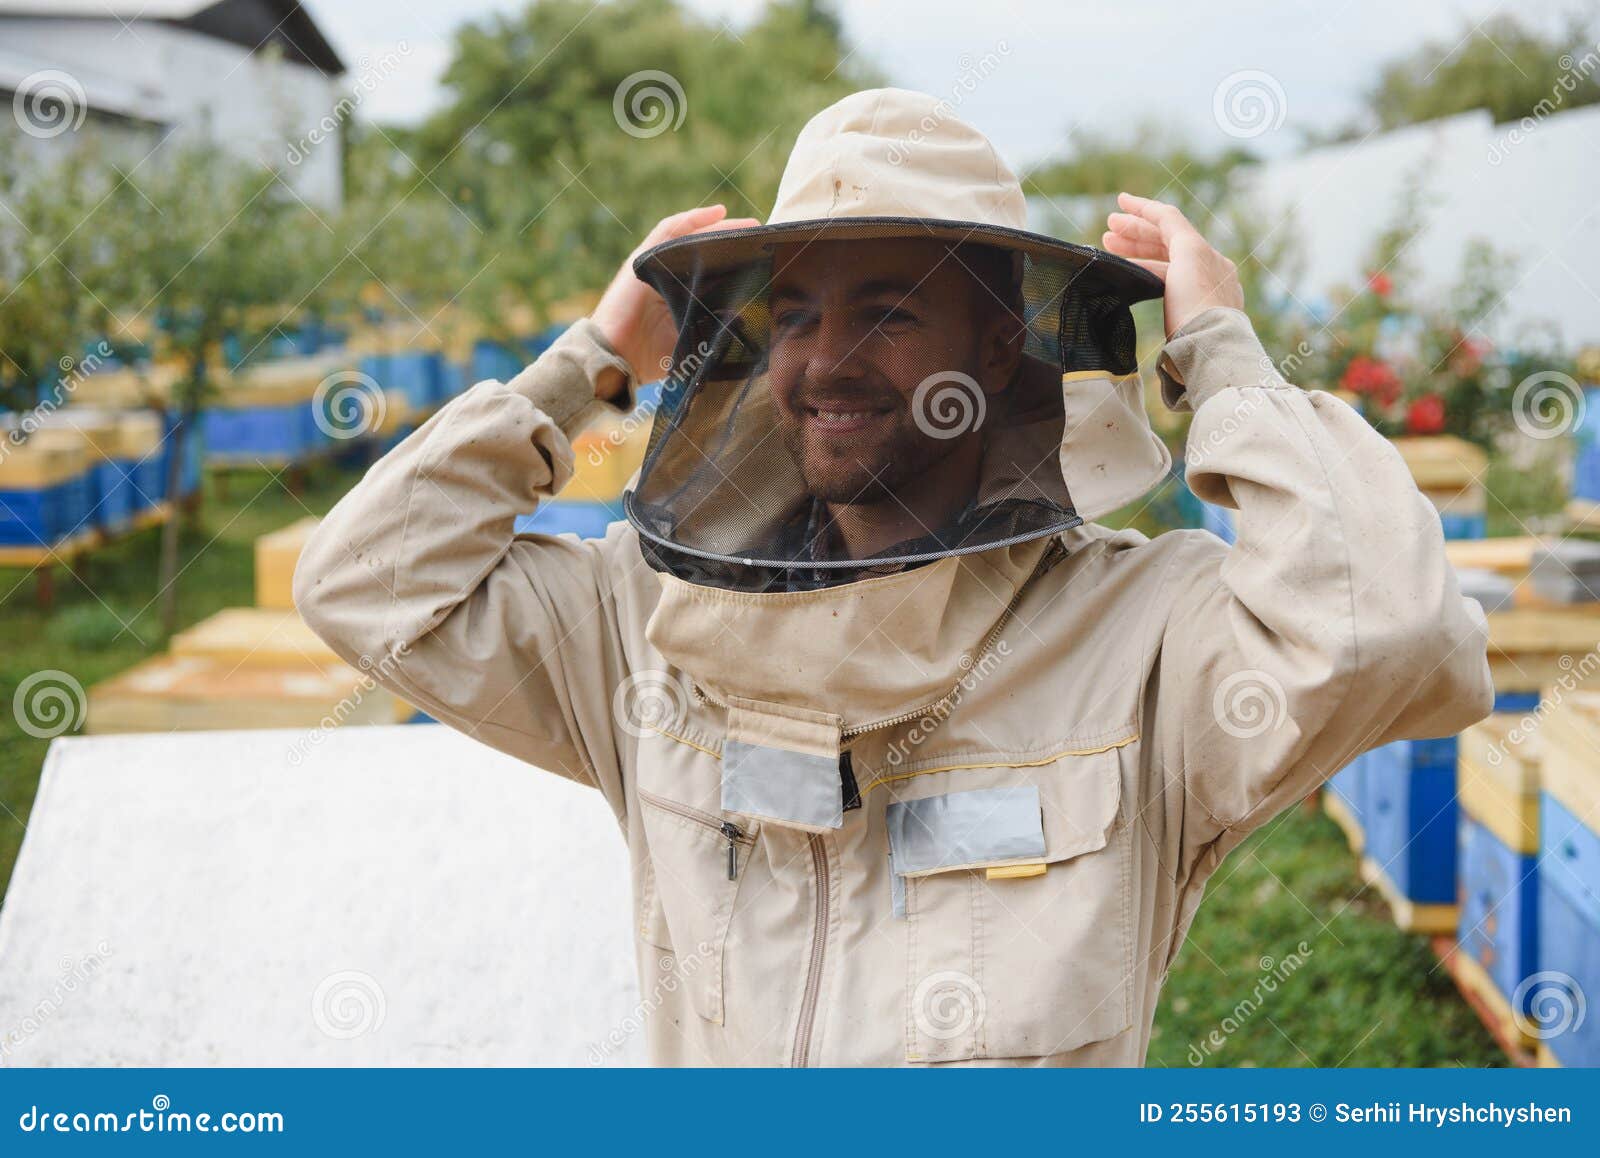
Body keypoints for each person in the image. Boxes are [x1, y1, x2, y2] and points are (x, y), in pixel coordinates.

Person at [296, 88, 1492, 1066]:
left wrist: (1222, 358)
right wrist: (589, 361)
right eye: (797, 314)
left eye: (887, 312)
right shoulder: (640, 621)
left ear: (996, 345)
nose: (826, 362)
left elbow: (1383, 634)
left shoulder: (1145, 639)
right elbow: (363, 584)